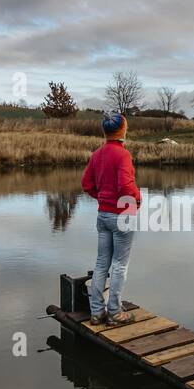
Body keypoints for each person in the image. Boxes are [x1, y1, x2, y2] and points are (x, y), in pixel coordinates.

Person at [81, 112, 140, 326]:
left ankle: (97, 312)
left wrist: (103, 198)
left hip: (103, 215)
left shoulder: (97, 154)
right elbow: (125, 186)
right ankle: (115, 312)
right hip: (121, 216)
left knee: (101, 264)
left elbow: (86, 184)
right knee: (119, 265)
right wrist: (137, 200)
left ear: (105, 132)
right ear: (122, 130)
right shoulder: (122, 154)